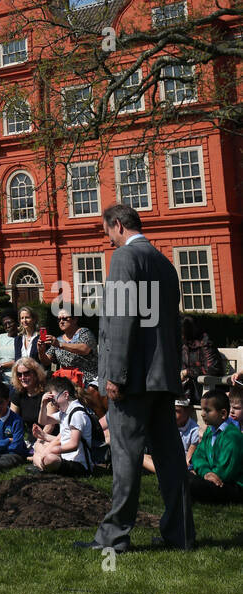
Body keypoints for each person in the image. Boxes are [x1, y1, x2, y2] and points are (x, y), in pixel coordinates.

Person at [78, 204, 194, 553]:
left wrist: (116, 375)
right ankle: (181, 534)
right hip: (162, 378)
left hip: (134, 381)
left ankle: (114, 537)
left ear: (118, 225)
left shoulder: (126, 259)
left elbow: (123, 319)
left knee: (126, 457)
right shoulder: (164, 263)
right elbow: (172, 326)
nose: (108, 240)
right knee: (170, 460)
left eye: (107, 232)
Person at [188, 389, 243, 503]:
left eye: (207, 410)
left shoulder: (233, 437)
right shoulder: (209, 431)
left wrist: (202, 473)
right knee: (182, 477)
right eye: (202, 409)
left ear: (223, 413)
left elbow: (224, 472)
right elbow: (198, 456)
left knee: (191, 483)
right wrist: (206, 472)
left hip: (231, 485)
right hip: (211, 477)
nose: (203, 414)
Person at [30, 376, 93, 475]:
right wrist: (43, 404)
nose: (53, 403)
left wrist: (53, 450)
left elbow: (74, 445)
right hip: (65, 458)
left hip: (79, 465)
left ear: (65, 395)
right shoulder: (65, 412)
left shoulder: (77, 414)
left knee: (49, 458)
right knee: (39, 447)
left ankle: (42, 466)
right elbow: (43, 421)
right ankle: (43, 465)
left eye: (53, 399)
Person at [38, 310, 98, 384]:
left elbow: (85, 349)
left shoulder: (84, 332)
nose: (61, 321)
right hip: (67, 380)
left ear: (75, 319)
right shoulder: (58, 339)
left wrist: (60, 344)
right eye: (59, 319)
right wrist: (41, 351)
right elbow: (46, 361)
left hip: (87, 379)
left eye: (65, 318)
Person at [144, 397, 200, 473]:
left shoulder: (195, 431)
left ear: (187, 412)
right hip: (167, 460)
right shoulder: (169, 425)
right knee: (143, 457)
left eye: (176, 411)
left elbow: (188, 460)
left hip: (181, 463)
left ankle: (165, 472)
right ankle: (165, 472)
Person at [180, 318, 223, 407]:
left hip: (206, 388)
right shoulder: (185, 345)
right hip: (189, 387)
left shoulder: (205, 342)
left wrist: (187, 372)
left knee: (177, 404)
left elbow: (212, 369)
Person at [8, 357, 50, 448]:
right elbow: (12, 421)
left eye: (26, 373)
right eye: (19, 374)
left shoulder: (47, 392)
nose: (23, 378)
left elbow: (50, 425)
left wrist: (39, 442)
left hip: (48, 438)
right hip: (31, 440)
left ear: (36, 373)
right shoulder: (18, 394)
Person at [0, 312, 19, 385]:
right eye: (5, 324)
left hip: (16, 373)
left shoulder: (21, 338)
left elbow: (22, 359)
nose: (7, 326)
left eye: (10, 323)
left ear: (17, 322)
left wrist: (3, 365)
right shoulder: (0, 337)